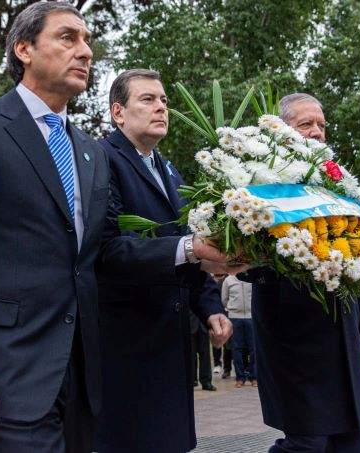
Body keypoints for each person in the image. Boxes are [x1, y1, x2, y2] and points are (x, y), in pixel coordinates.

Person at [0, 1, 231, 452]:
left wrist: (198, 251)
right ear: (23, 48)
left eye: (88, 42)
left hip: (86, 379)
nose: (85, 52)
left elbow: (104, 253)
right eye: (68, 38)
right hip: (11, 374)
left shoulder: (90, 151)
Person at [94, 70, 233, 453]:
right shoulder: (101, 160)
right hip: (125, 342)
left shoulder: (170, 171)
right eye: (148, 100)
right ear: (118, 113)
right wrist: (191, 249)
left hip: (172, 343)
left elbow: (188, 243)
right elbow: (108, 249)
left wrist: (209, 307)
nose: (161, 108)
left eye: (165, 101)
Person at [240, 93, 360, 453]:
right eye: (306, 124)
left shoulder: (341, 187)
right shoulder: (258, 178)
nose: (317, 132)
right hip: (293, 336)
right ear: (281, 132)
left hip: (343, 337)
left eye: (321, 125)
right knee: (307, 443)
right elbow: (244, 256)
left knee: (348, 440)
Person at [222, 274, 256, 387]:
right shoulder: (228, 280)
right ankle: (240, 378)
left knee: (253, 348)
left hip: (251, 317)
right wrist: (233, 309)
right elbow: (224, 299)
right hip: (235, 317)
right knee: (236, 348)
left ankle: (254, 377)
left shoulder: (251, 277)